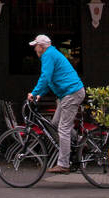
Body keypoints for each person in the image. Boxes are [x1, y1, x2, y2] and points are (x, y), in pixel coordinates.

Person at [27, 34, 86, 174]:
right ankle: (80, 141)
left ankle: (64, 164)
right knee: (54, 124)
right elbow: (51, 79)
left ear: (41, 47)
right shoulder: (52, 53)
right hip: (67, 94)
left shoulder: (48, 55)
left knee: (63, 129)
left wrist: (34, 93)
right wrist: (41, 93)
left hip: (71, 93)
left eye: (36, 46)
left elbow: (45, 76)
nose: (35, 48)